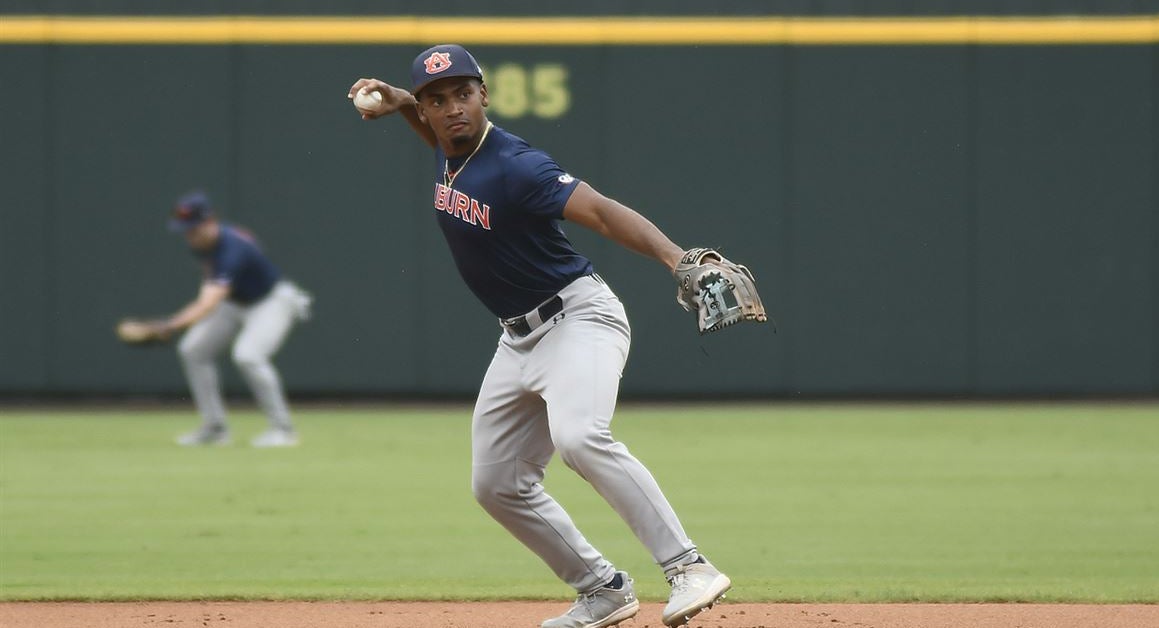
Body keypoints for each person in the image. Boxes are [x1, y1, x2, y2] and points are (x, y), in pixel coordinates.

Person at [348, 45, 731, 628]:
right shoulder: (450, 150)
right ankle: (602, 588)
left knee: (579, 435)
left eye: (462, 94)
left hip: (578, 318)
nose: (453, 109)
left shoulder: (516, 164)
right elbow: (440, 137)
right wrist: (401, 102)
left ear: (485, 96)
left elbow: (601, 213)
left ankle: (689, 567)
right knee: (497, 483)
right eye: (437, 100)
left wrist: (678, 261)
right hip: (517, 339)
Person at [159, 191, 312, 448]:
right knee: (192, 350)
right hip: (234, 303)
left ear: (210, 222)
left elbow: (208, 302)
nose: (189, 235)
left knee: (248, 356)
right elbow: (210, 288)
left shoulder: (232, 250)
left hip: (270, 302)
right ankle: (215, 428)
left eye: (194, 229)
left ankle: (283, 430)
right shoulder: (206, 244)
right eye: (186, 230)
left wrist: (170, 325)